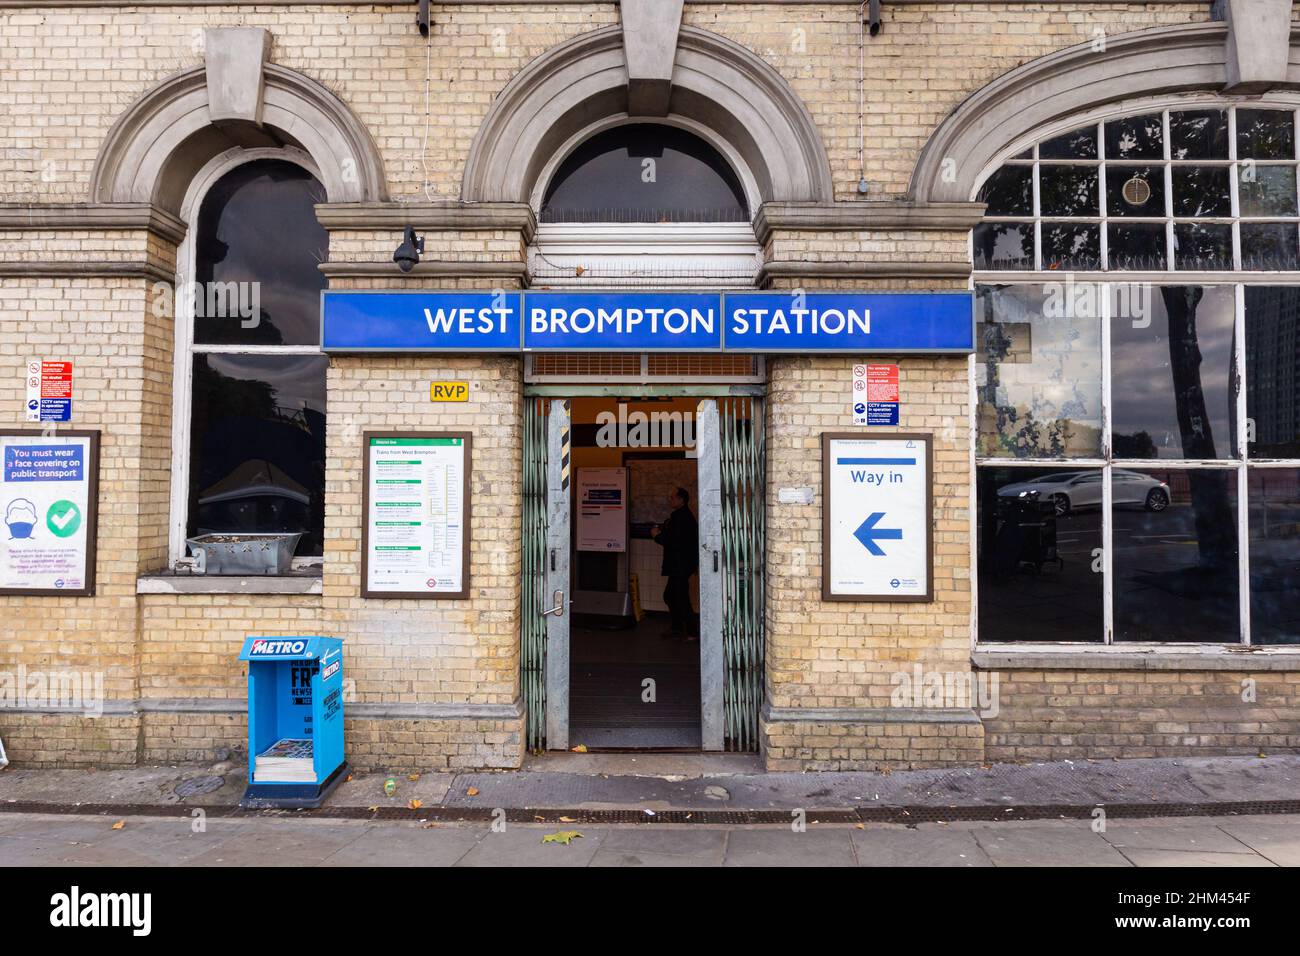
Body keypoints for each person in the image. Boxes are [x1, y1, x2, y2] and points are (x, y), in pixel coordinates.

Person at [650, 486, 699, 641]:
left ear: (681, 499)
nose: (669, 500)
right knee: (671, 596)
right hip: (680, 565)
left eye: (672, 497)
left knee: (679, 597)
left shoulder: (681, 518)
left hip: (680, 565)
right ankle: (677, 627)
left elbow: (672, 541)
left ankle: (692, 632)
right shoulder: (680, 516)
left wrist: (656, 536)